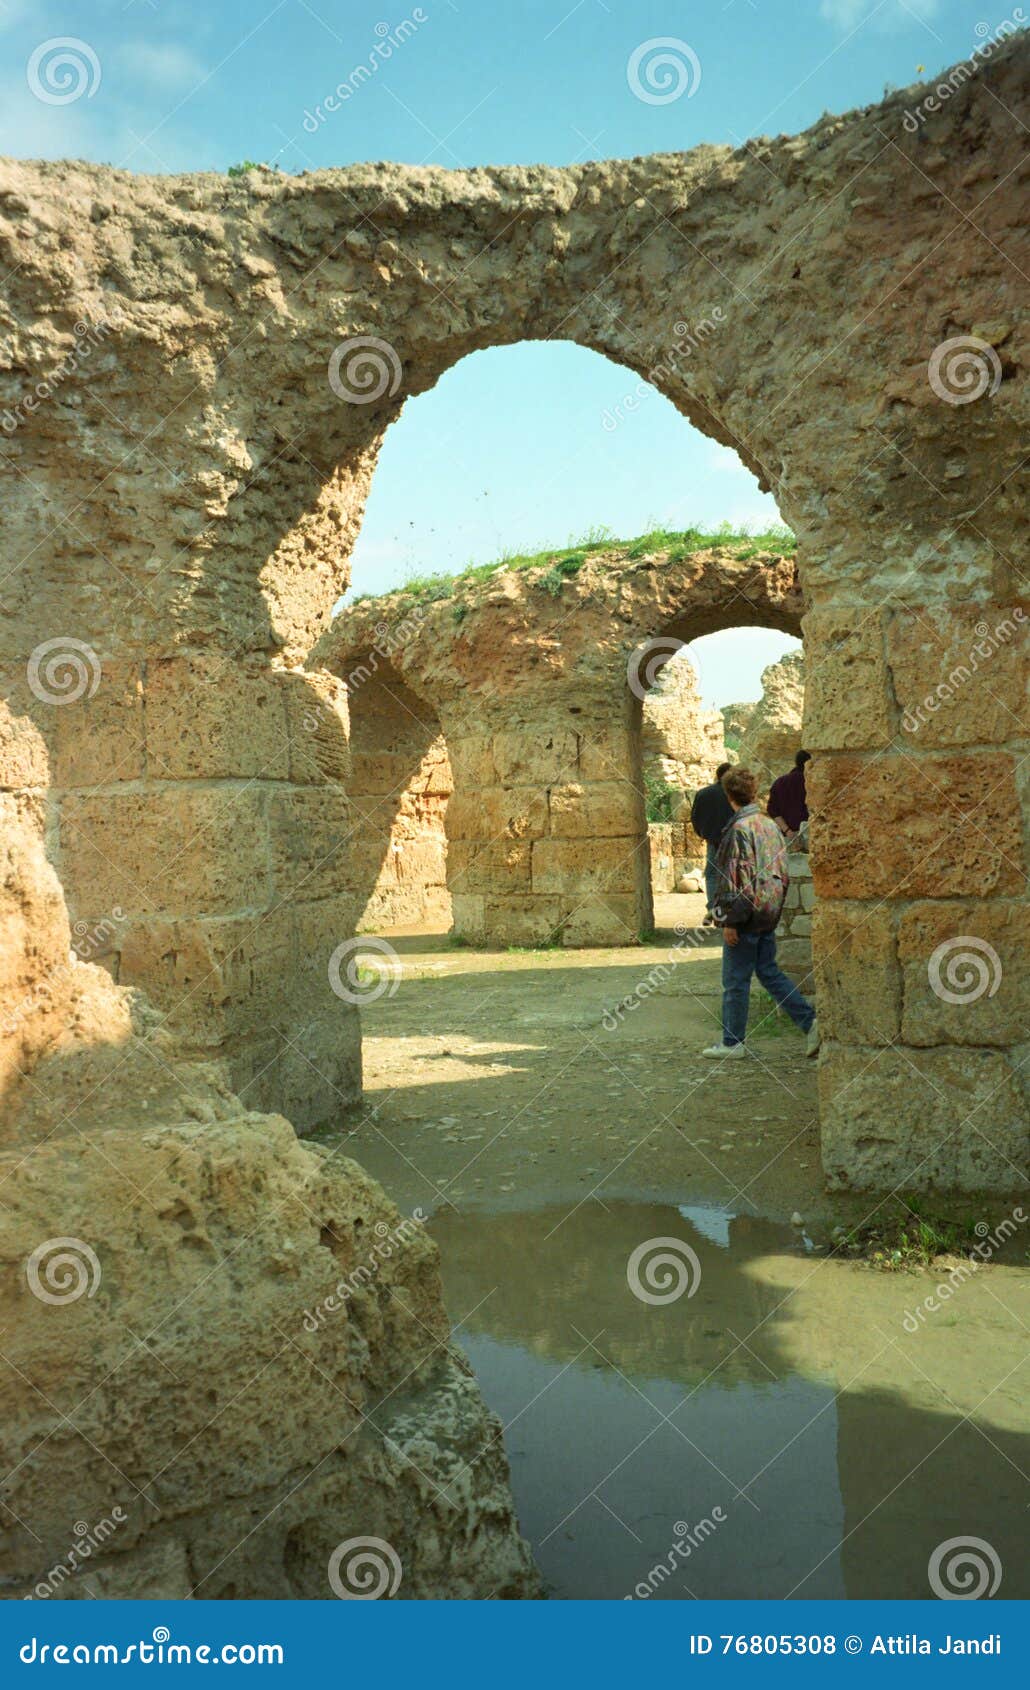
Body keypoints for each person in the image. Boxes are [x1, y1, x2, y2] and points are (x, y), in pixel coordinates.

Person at [702, 766, 819, 1059]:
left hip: (745, 916)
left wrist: (728, 920)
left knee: (735, 981)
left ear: (728, 795)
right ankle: (810, 1021)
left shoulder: (738, 830)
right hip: (767, 911)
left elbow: (734, 878)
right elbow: (780, 871)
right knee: (769, 972)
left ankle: (732, 1043)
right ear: (754, 792)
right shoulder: (768, 826)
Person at [689, 761, 733, 924]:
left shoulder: (704, 794)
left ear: (717, 775)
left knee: (712, 875)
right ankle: (728, 911)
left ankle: (714, 909)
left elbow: (695, 817)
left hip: (713, 841)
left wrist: (703, 833)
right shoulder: (735, 794)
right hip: (734, 841)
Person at [768, 750, 811, 839]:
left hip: (787, 836)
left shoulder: (779, 782)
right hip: (810, 835)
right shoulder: (812, 783)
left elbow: (772, 810)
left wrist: (787, 831)